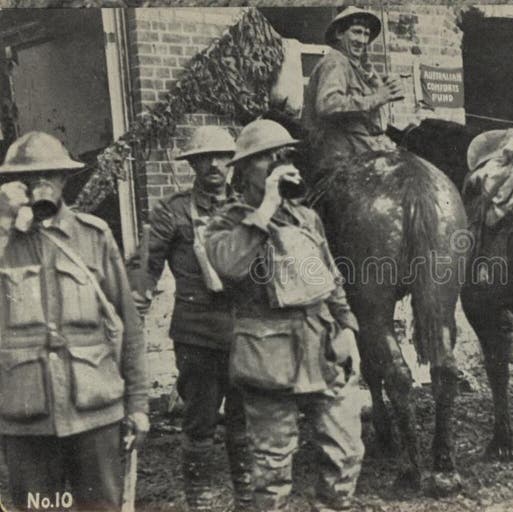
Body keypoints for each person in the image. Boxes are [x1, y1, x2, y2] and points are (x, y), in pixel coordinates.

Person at [205, 119, 363, 511]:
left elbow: (329, 277)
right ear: (244, 170)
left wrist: (347, 326)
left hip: (321, 344)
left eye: (283, 155)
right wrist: (266, 209)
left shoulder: (306, 218)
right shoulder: (228, 220)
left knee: (345, 451)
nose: (279, 164)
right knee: (272, 467)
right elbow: (229, 266)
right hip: (268, 355)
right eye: (266, 159)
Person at [0, 131, 148, 511]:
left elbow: (129, 325)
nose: (41, 184)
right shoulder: (3, 244)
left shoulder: (94, 236)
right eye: (29, 177)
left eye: (50, 174)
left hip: (95, 415)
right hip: (26, 420)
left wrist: (138, 404)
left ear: (65, 179)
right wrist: (2, 224)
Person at [127, 126, 253, 511]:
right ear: (193, 164)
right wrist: (134, 308)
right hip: (197, 337)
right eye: (204, 158)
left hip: (245, 335)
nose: (214, 164)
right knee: (199, 425)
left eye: (221, 157)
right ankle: (201, 502)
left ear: (232, 161)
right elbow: (144, 265)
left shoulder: (248, 209)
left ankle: (248, 500)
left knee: (245, 424)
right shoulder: (174, 211)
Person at [303, 6, 404, 178]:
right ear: (339, 34)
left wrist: (383, 87)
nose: (362, 40)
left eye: (366, 34)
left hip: (361, 152)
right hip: (340, 159)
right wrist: (376, 98)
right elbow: (328, 104)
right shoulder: (336, 61)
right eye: (356, 32)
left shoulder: (357, 68)